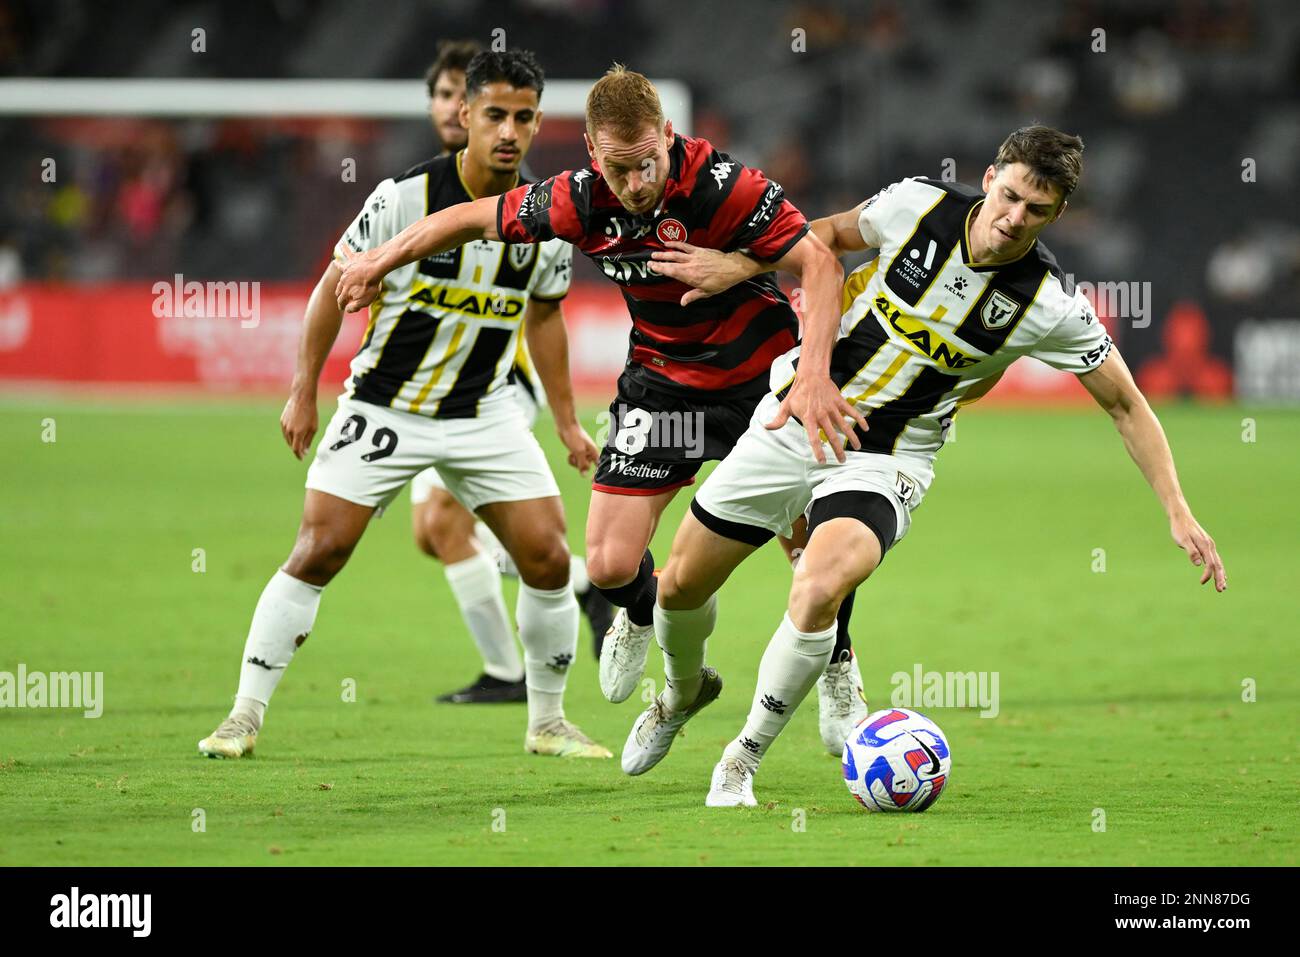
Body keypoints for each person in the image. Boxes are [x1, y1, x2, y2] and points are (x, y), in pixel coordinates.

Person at [631, 125, 1227, 805]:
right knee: (678, 585)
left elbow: (1126, 404)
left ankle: (742, 758)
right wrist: (742, 264)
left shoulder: (1049, 305)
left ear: (1059, 213)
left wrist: (1178, 509)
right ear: (991, 174)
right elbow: (823, 236)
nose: (1012, 219)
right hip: (798, 418)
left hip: (891, 456)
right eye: (1007, 196)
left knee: (821, 583)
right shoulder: (916, 205)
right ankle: (681, 695)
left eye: (1036, 210)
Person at [335, 64, 877, 753]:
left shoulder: (725, 187)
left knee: (809, 550)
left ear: (669, 137)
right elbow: (470, 218)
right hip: (663, 386)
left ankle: (838, 664)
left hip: (762, 384)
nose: (637, 183)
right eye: (619, 169)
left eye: (647, 163)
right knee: (613, 561)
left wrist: (815, 377)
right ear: (593, 154)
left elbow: (822, 265)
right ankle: (640, 617)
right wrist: (379, 260)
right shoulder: (579, 199)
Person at [198, 49, 612, 760]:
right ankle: (243, 715)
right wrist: (304, 389)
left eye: (522, 117)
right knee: (320, 548)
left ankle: (547, 723)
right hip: (387, 408)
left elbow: (545, 316)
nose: (508, 131)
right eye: (494, 115)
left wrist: (568, 420)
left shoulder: (546, 220)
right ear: (464, 116)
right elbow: (334, 286)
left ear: (539, 122)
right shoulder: (402, 199)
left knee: (547, 556)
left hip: (481, 412)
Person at [415, 40, 614, 706]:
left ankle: (508, 672)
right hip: (433, 390)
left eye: (457, 96)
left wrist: (563, 418)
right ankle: (586, 586)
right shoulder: (424, 188)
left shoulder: (513, 198)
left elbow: (542, 309)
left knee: (448, 524)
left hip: (500, 381)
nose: (450, 108)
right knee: (435, 533)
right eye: (441, 96)